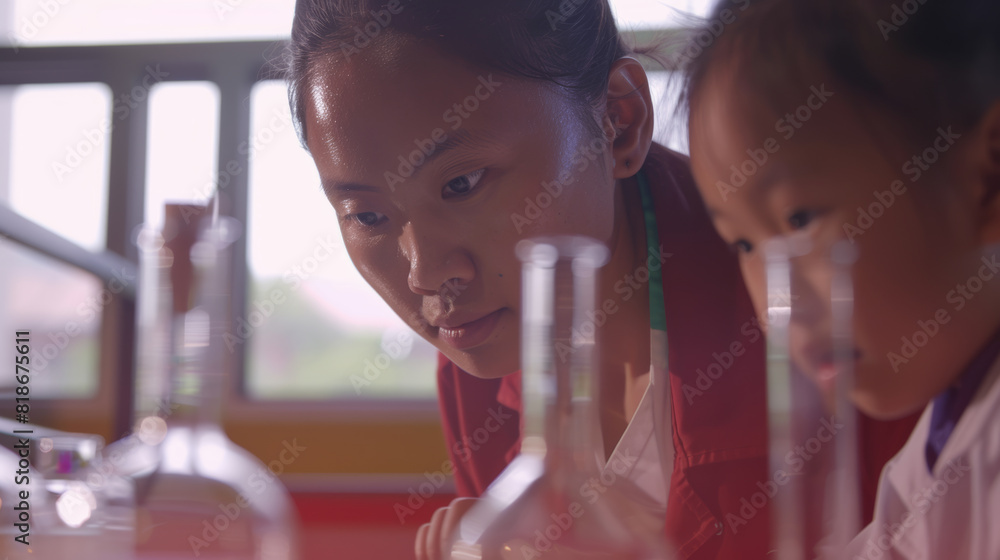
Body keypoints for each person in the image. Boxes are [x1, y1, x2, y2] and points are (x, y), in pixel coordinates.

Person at [285, 1, 918, 558]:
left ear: (619, 118)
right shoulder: (479, 366)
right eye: (367, 215)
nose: (427, 273)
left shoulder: (836, 318)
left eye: (461, 183)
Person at [682, 0, 1000, 557]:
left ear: (989, 176)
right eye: (744, 245)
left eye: (800, 220)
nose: (778, 306)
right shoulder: (946, 427)